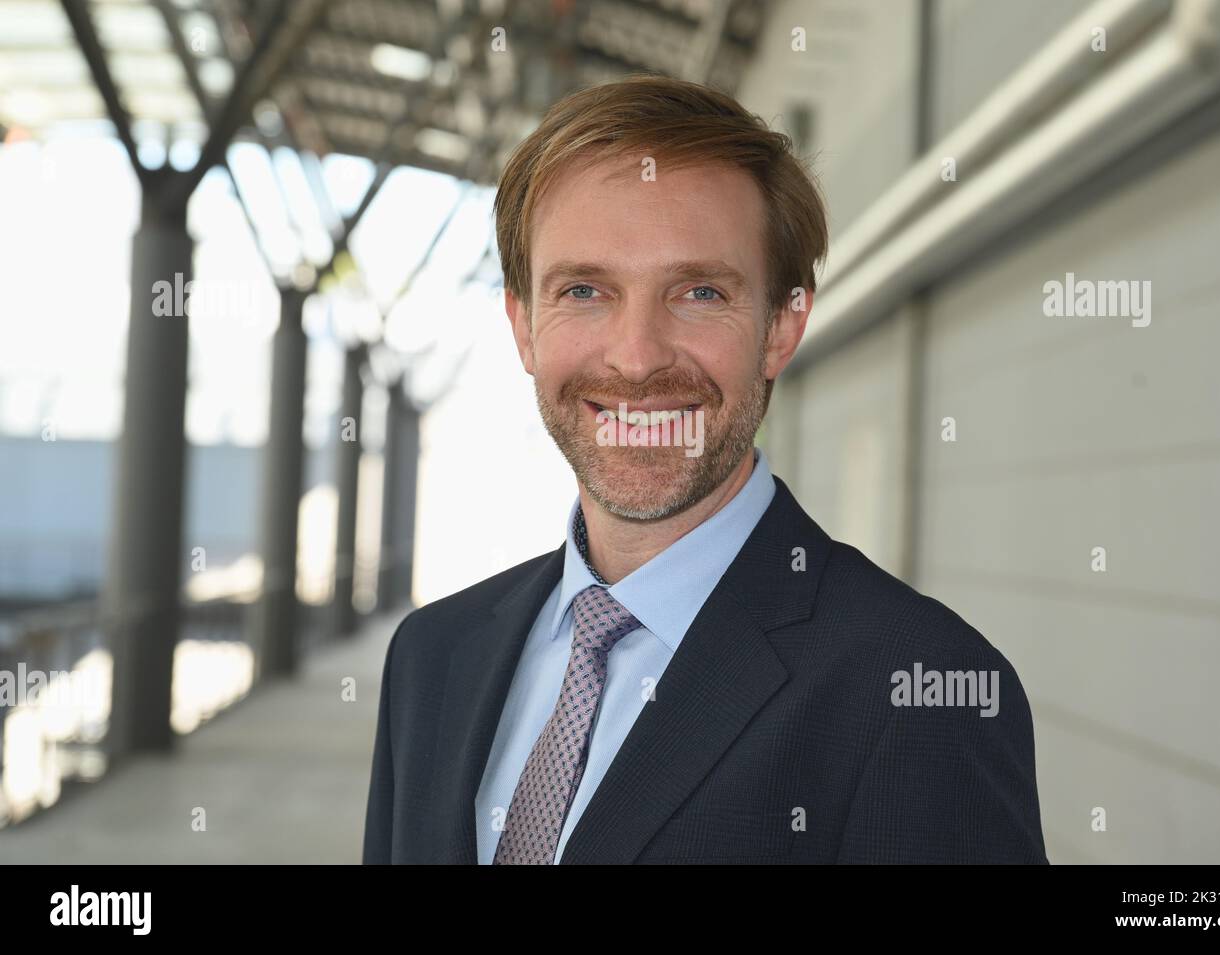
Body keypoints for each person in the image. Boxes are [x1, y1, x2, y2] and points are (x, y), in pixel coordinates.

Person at [363, 74, 1048, 864]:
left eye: (698, 291)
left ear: (780, 327)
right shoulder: (431, 655)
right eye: (584, 290)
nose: (637, 357)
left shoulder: (919, 690)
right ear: (524, 325)